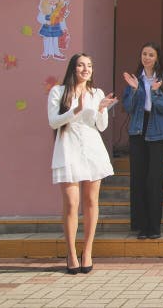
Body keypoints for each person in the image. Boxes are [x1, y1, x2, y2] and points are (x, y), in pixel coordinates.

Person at [48, 53, 116, 274]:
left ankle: (87, 252)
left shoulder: (97, 93)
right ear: (73, 68)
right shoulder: (58, 91)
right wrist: (74, 111)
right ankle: (71, 253)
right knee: (71, 203)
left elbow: (101, 126)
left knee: (91, 201)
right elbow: (53, 122)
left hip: (92, 149)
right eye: (81, 65)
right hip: (68, 148)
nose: (86, 69)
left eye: (89, 65)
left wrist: (102, 109)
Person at [122, 42, 163, 240]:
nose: (147, 57)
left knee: (154, 180)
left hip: (158, 131)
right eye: (144, 54)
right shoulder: (135, 78)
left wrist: (154, 93)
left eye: (151, 55)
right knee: (138, 179)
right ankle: (141, 225)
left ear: (157, 58)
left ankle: (154, 226)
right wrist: (135, 90)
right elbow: (128, 107)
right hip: (138, 130)